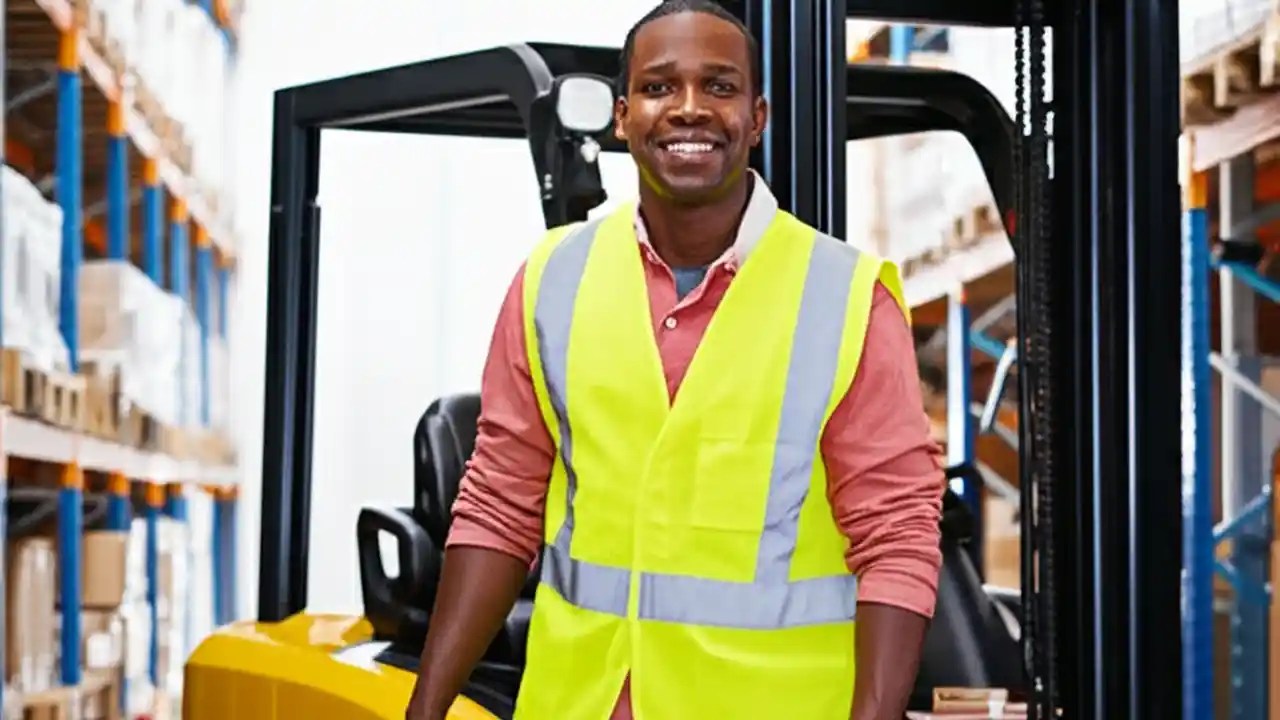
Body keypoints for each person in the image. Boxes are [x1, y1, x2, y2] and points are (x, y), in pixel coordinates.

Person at [406, 2, 944, 718]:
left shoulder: (847, 298)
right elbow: (500, 505)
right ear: (623, 116)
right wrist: (425, 709)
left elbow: (898, 537)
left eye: (719, 88)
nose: (690, 108)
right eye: (660, 88)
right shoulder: (552, 279)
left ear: (757, 118)